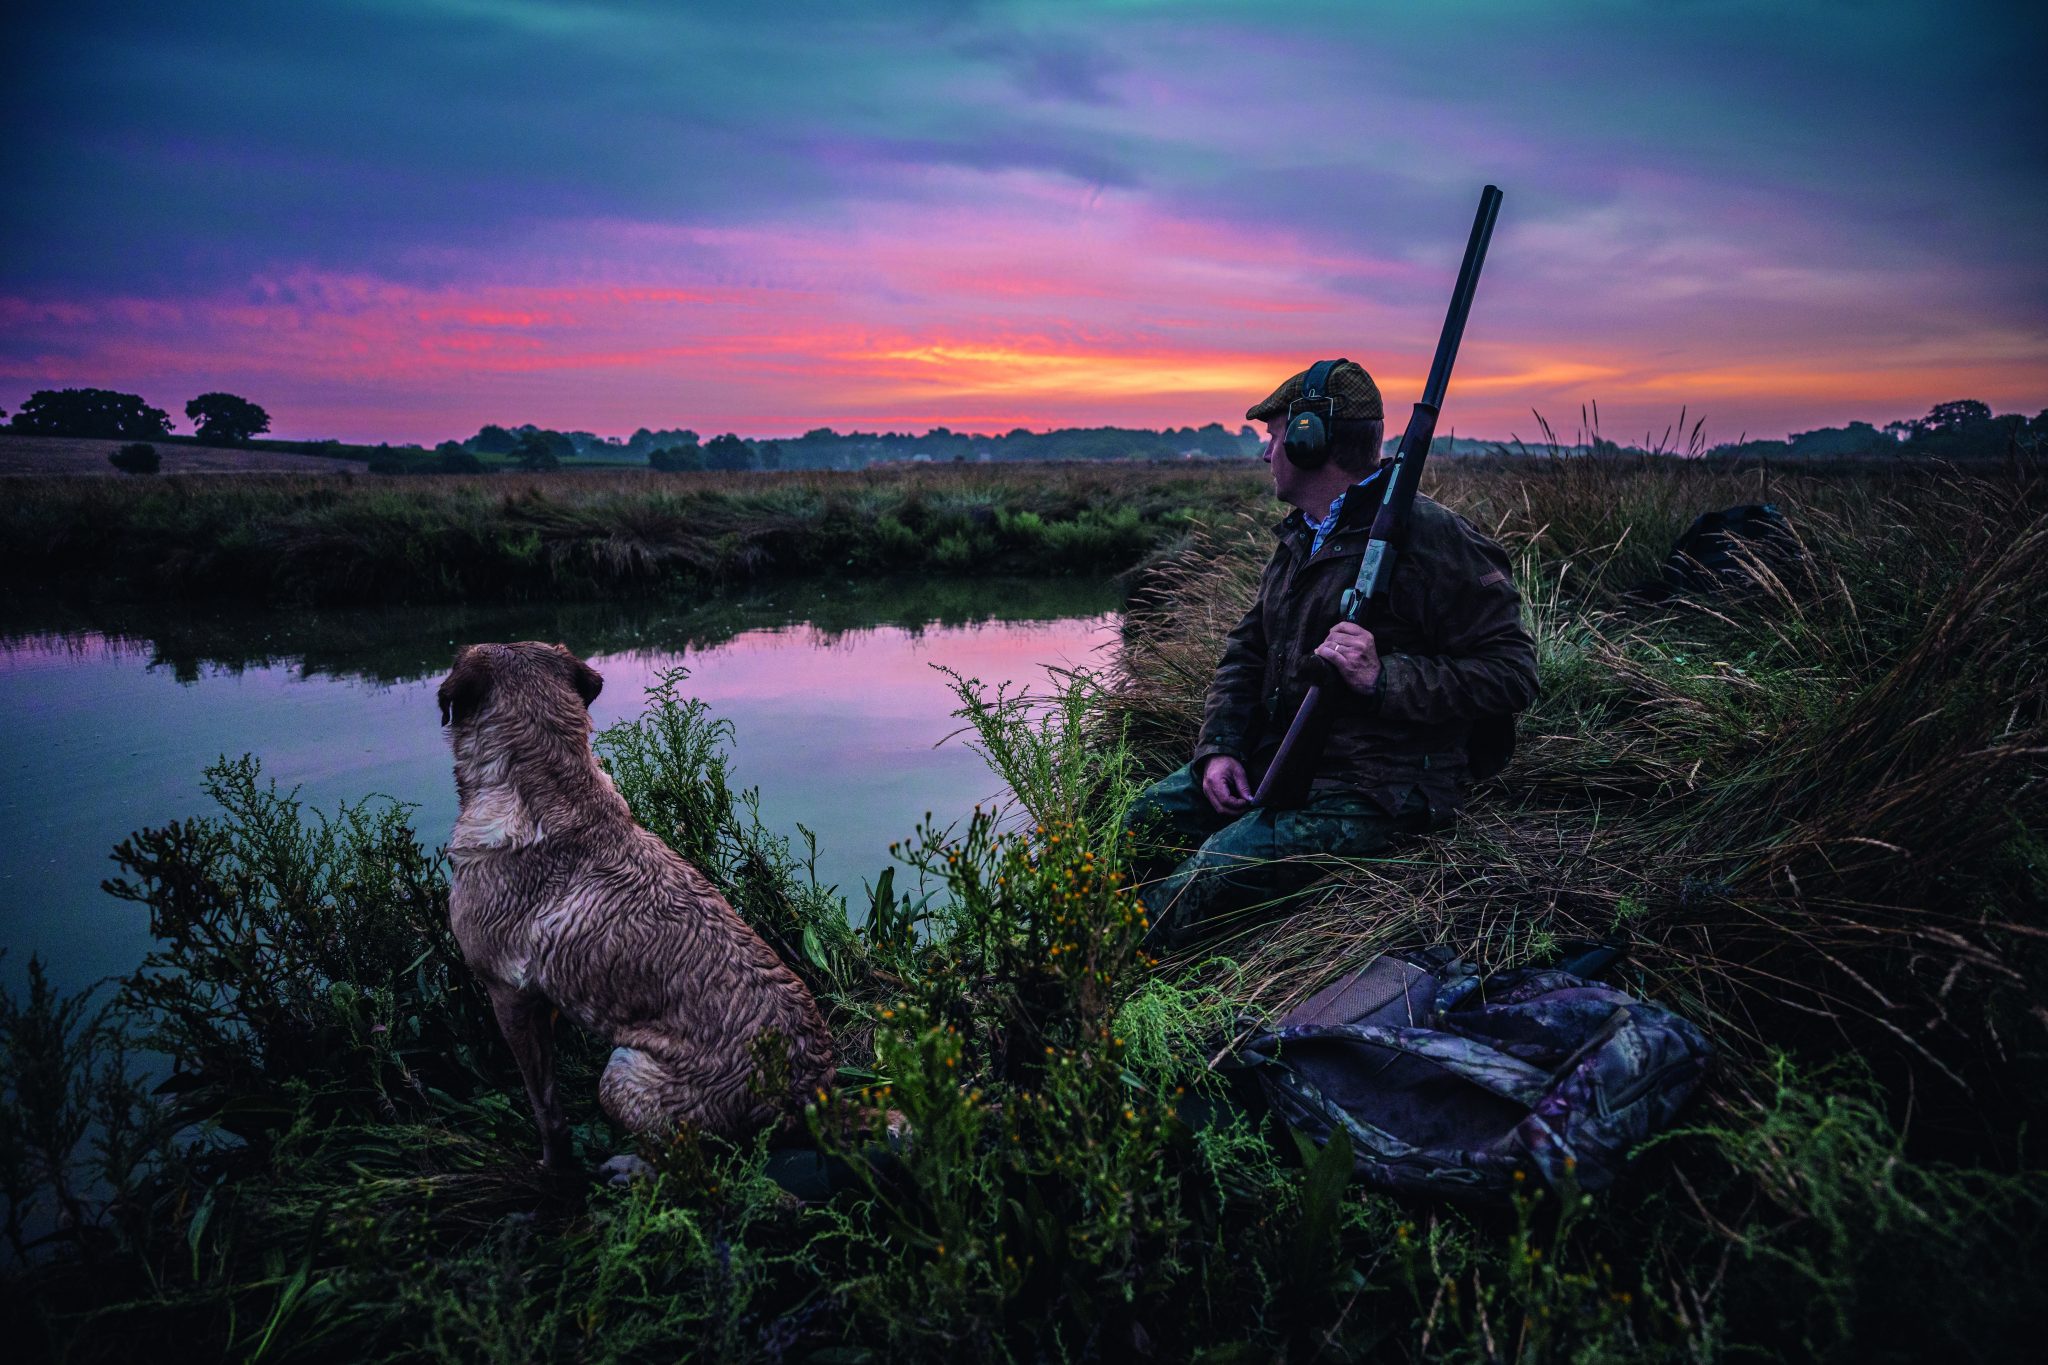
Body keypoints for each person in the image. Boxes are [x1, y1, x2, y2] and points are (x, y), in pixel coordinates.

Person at [1129, 360, 1539, 949]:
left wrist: (1383, 677)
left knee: (1212, 873)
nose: (1265, 454)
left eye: (1273, 437)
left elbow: (1511, 674)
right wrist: (1220, 748)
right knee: (1141, 825)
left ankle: (1104, 978)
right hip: (1284, 758)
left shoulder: (1433, 539)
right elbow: (1248, 649)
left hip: (1380, 786)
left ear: (1309, 442)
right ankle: (1067, 949)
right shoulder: (1305, 533)